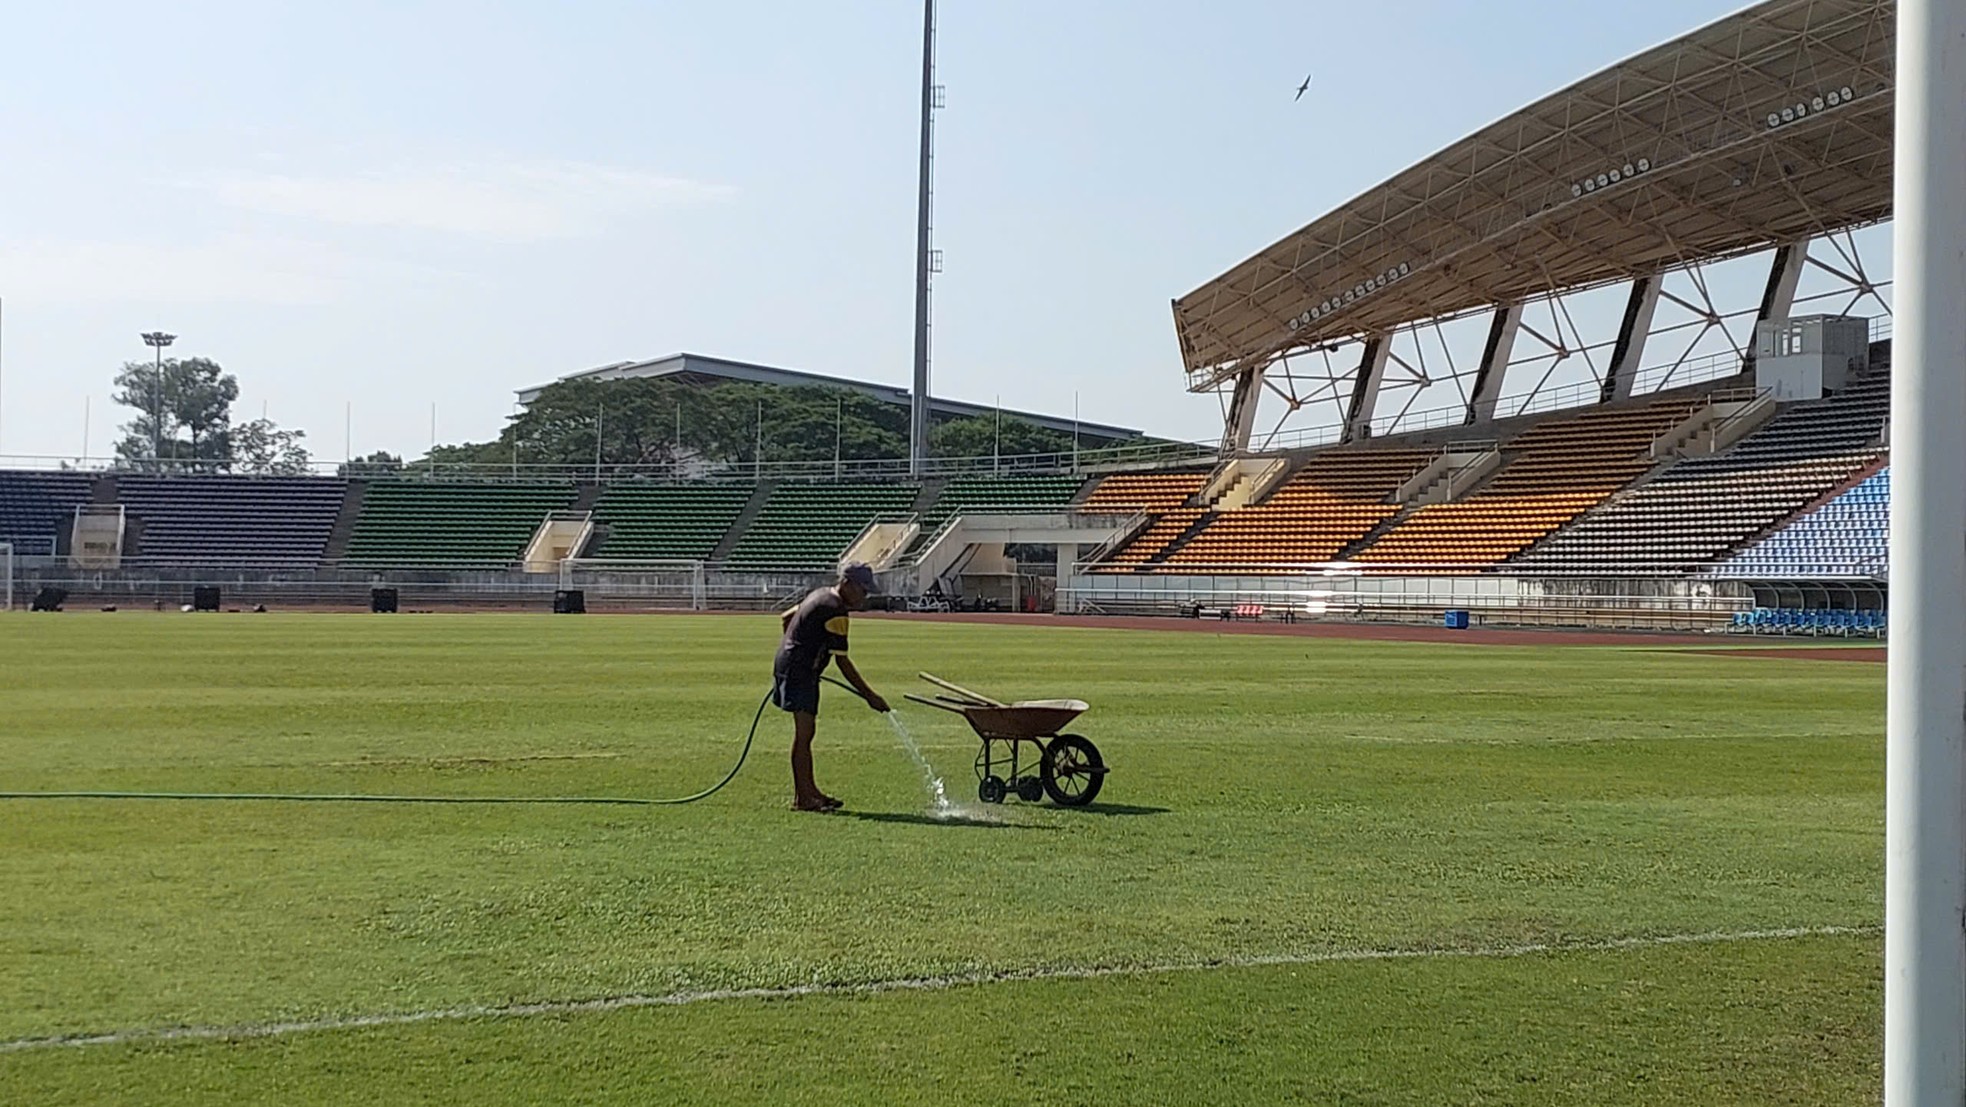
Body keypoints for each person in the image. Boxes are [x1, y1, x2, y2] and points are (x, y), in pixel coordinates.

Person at [773, 562, 890, 811]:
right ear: (847, 583)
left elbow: (786, 618)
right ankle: (803, 799)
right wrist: (870, 696)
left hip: (792, 665)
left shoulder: (821, 593)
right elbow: (843, 662)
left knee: (807, 732)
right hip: (800, 671)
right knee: (804, 734)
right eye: (862, 590)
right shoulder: (836, 611)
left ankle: (810, 792)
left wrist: (795, 646)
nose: (864, 597)